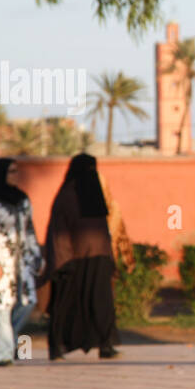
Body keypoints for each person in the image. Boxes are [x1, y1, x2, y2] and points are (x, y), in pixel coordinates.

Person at [44, 153, 121, 360]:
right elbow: (58, 230)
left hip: (98, 258)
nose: (92, 174)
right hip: (72, 261)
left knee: (102, 304)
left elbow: (103, 230)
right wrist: (62, 261)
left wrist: (109, 257)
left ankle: (106, 344)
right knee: (64, 305)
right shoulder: (66, 196)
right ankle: (57, 346)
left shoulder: (95, 195)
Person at [0, 158, 43, 366]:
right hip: (1, 262)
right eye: (11, 171)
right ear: (1, 174)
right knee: (2, 307)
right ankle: (4, 354)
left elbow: (30, 229)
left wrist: (37, 255)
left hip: (22, 261)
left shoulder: (23, 200)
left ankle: (10, 341)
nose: (15, 175)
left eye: (16, 171)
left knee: (28, 303)